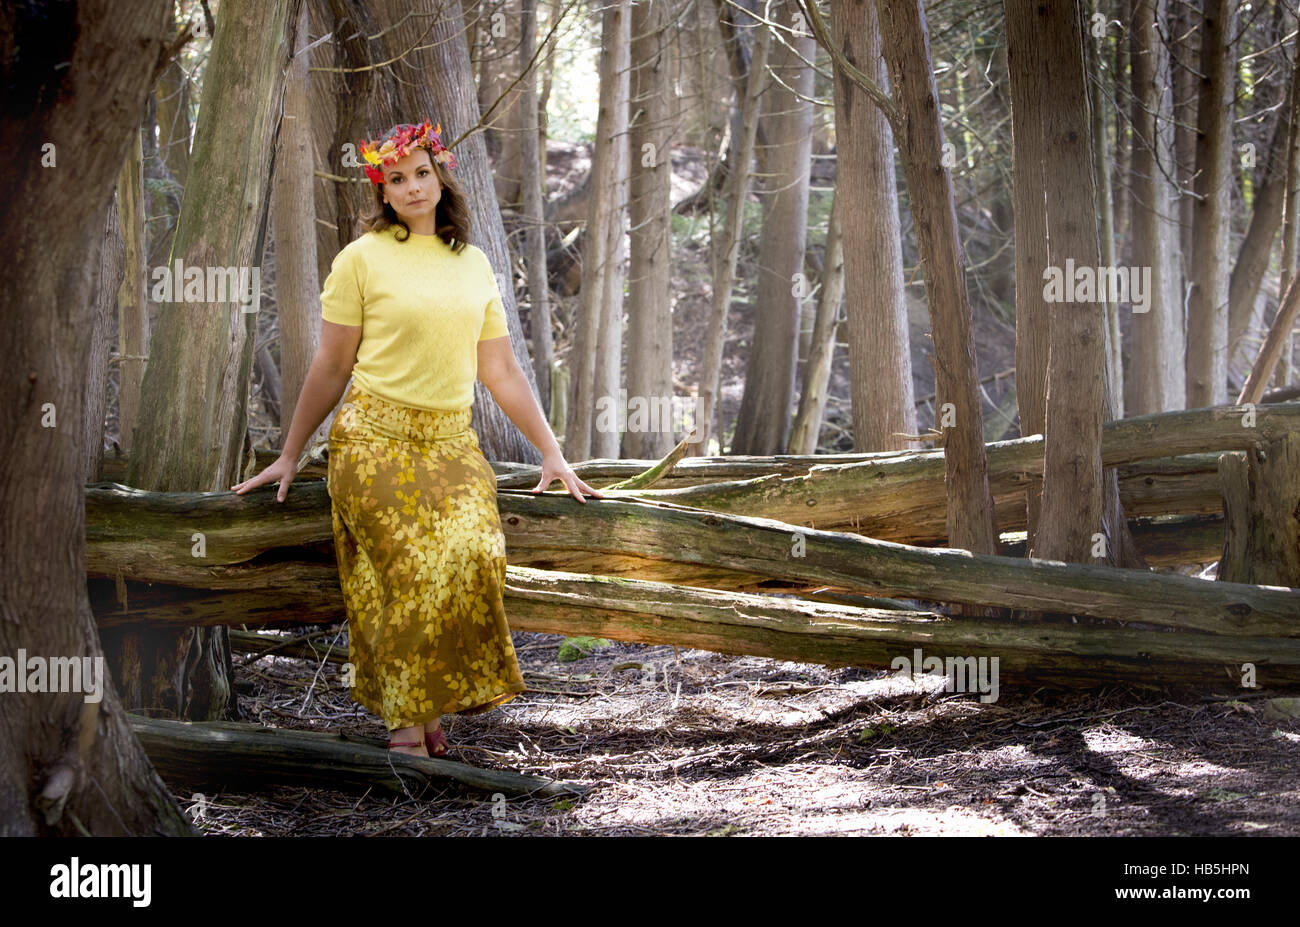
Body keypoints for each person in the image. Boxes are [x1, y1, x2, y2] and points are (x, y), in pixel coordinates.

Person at [231, 119, 603, 759]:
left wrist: (551, 450)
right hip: (373, 438)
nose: (411, 187)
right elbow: (329, 364)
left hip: (450, 442)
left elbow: (501, 370)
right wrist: (291, 453)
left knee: (475, 553)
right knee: (409, 567)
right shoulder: (361, 259)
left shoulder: (474, 263)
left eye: (421, 174)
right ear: (382, 191)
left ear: (441, 177)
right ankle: (408, 728)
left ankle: (427, 708)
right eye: (395, 179)